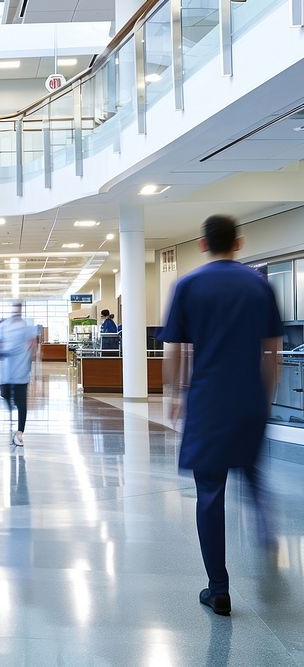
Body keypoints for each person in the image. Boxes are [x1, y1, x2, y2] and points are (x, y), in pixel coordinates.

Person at [160, 214, 281, 616]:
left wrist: (174, 394)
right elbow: (272, 350)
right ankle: (266, 532)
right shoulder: (259, 284)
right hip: (249, 397)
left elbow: (176, 349)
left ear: (202, 244)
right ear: (239, 243)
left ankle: (219, 588)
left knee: (210, 492)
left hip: (207, 400)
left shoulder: (188, 285)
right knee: (252, 470)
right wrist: (265, 397)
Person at [0, 301, 37, 447]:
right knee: (5, 395)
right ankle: (12, 415)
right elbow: (0, 345)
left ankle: (19, 433)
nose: (17, 310)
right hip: (6, 371)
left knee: (21, 402)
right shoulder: (3, 326)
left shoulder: (27, 325)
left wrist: (31, 358)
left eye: (19, 307)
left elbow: (33, 345)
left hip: (21, 370)